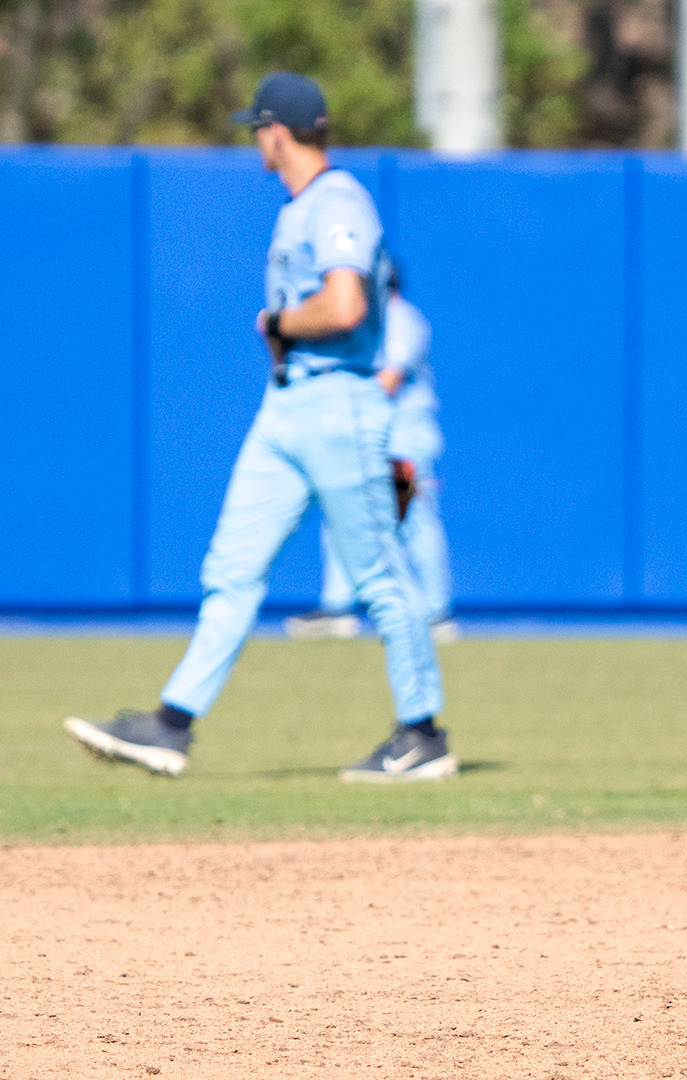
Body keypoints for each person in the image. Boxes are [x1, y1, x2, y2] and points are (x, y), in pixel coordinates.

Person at [62, 72, 456, 783]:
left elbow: (344, 305)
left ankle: (422, 734)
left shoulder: (337, 198)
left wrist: (279, 322)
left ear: (277, 132)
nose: (256, 142)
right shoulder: (301, 205)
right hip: (288, 408)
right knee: (232, 568)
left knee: (379, 576)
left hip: (340, 405)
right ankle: (171, 725)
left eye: (258, 129)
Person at [285, 265, 457, 644]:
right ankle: (338, 607)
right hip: (365, 438)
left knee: (413, 522)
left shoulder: (401, 319)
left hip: (401, 440)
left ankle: (436, 614)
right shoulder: (370, 324)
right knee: (342, 518)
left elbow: (388, 380)